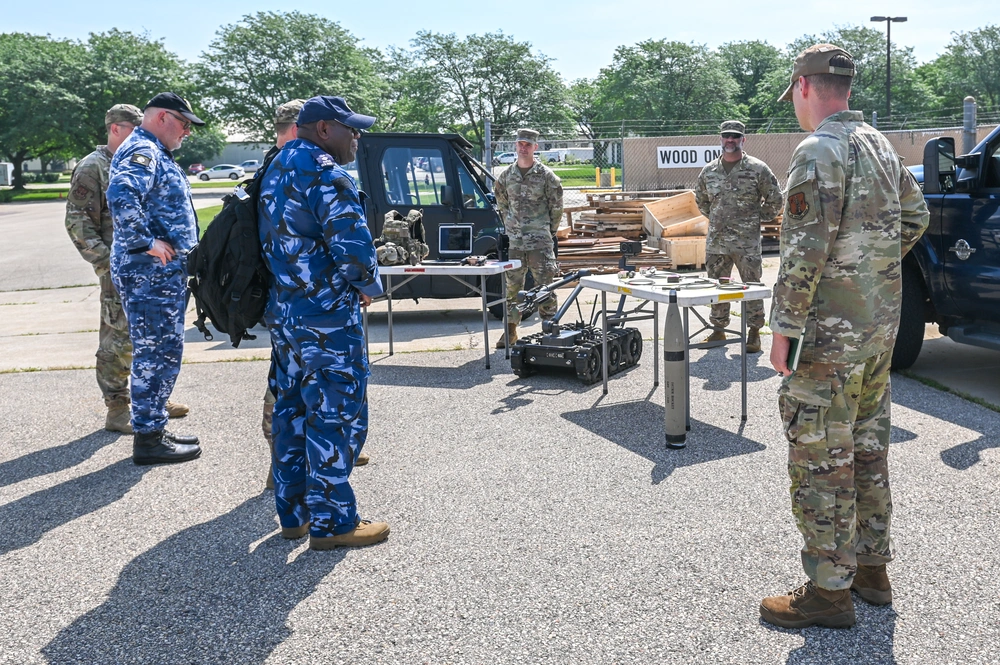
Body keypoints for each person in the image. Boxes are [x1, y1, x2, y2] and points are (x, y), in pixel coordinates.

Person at [761, 44, 929, 629]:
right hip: (876, 331)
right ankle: (872, 571)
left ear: (804, 87)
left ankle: (829, 592)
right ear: (847, 88)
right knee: (867, 449)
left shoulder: (818, 150)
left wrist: (782, 329)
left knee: (820, 458)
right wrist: (869, 273)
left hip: (828, 340)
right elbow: (916, 216)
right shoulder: (879, 144)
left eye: (794, 94)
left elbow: (802, 252)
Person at [258, 95, 387, 549]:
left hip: (286, 314)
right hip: (327, 317)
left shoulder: (276, 166)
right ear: (325, 129)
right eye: (352, 128)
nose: (358, 137)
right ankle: (333, 524)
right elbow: (354, 250)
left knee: (291, 410)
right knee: (335, 412)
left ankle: (294, 516)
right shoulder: (326, 173)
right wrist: (369, 286)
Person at [66, 104, 191, 434]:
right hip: (122, 266)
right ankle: (118, 406)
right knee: (118, 339)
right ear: (114, 128)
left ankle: (152, 401)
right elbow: (78, 223)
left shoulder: (149, 155)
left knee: (150, 339)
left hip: (150, 270)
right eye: (132, 128)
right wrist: (105, 262)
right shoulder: (93, 166)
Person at [107, 93, 205, 465]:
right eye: (184, 123)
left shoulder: (153, 149)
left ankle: (155, 427)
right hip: (149, 274)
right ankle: (148, 439)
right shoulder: (143, 150)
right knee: (154, 353)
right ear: (163, 117)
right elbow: (121, 194)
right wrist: (144, 242)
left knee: (164, 351)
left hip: (159, 275)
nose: (187, 132)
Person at [693, 120, 783, 353]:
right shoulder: (709, 171)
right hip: (717, 243)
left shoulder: (757, 169)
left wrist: (757, 217)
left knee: (751, 287)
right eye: (726, 136)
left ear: (743, 139)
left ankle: (754, 333)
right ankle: (718, 329)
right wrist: (718, 217)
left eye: (735, 136)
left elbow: (775, 198)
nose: (730, 140)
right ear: (720, 139)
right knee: (717, 287)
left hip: (746, 243)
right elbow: (701, 200)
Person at [492, 128, 563, 349]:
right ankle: (510, 331)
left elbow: (556, 208)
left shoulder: (547, 176)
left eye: (528, 145)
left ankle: (550, 331)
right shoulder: (506, 176)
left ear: (535, 147)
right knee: (512, 288)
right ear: (516, 145)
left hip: (540, 242)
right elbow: (502, 203)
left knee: (545, 288)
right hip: (515, 242)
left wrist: (547, 231)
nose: (524, 148)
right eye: (520, 144)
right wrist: (511, 226)